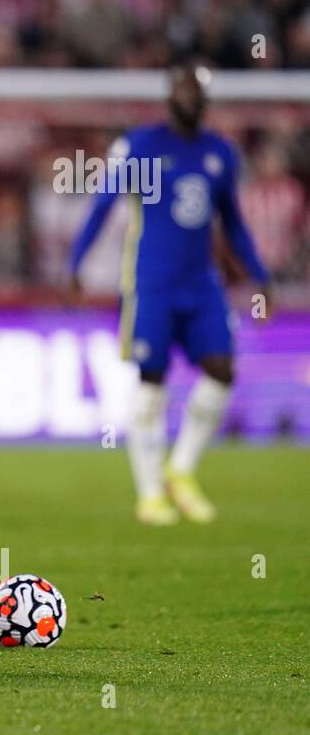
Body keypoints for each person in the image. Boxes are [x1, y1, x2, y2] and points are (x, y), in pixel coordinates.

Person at [69, 60, 270, 525]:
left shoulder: (220, 152)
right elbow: (103, 204)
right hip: (151, 284)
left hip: (201, 284)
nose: (189, 96)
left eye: (197, 89)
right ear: (169, 93)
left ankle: (180, 469)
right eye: (182, 87)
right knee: (151, 382)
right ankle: (150, 493)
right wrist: (77, 261)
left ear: (205, 98)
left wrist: (260, 276)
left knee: (221, 370)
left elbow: (234, 224)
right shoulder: (141, 146)